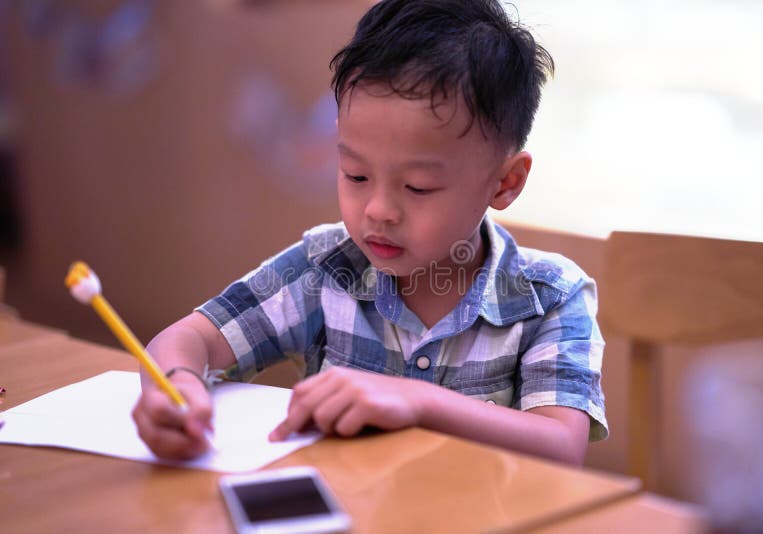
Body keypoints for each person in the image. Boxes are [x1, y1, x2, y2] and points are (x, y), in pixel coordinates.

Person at [132, 0, 607, 466]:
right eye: (355, 174)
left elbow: (560, 446)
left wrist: (417, 402)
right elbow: (187, 340)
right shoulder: (325, 269)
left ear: (505, 182)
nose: (378, 211)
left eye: (418, 187)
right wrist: (177, 386)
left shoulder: (548, 296)